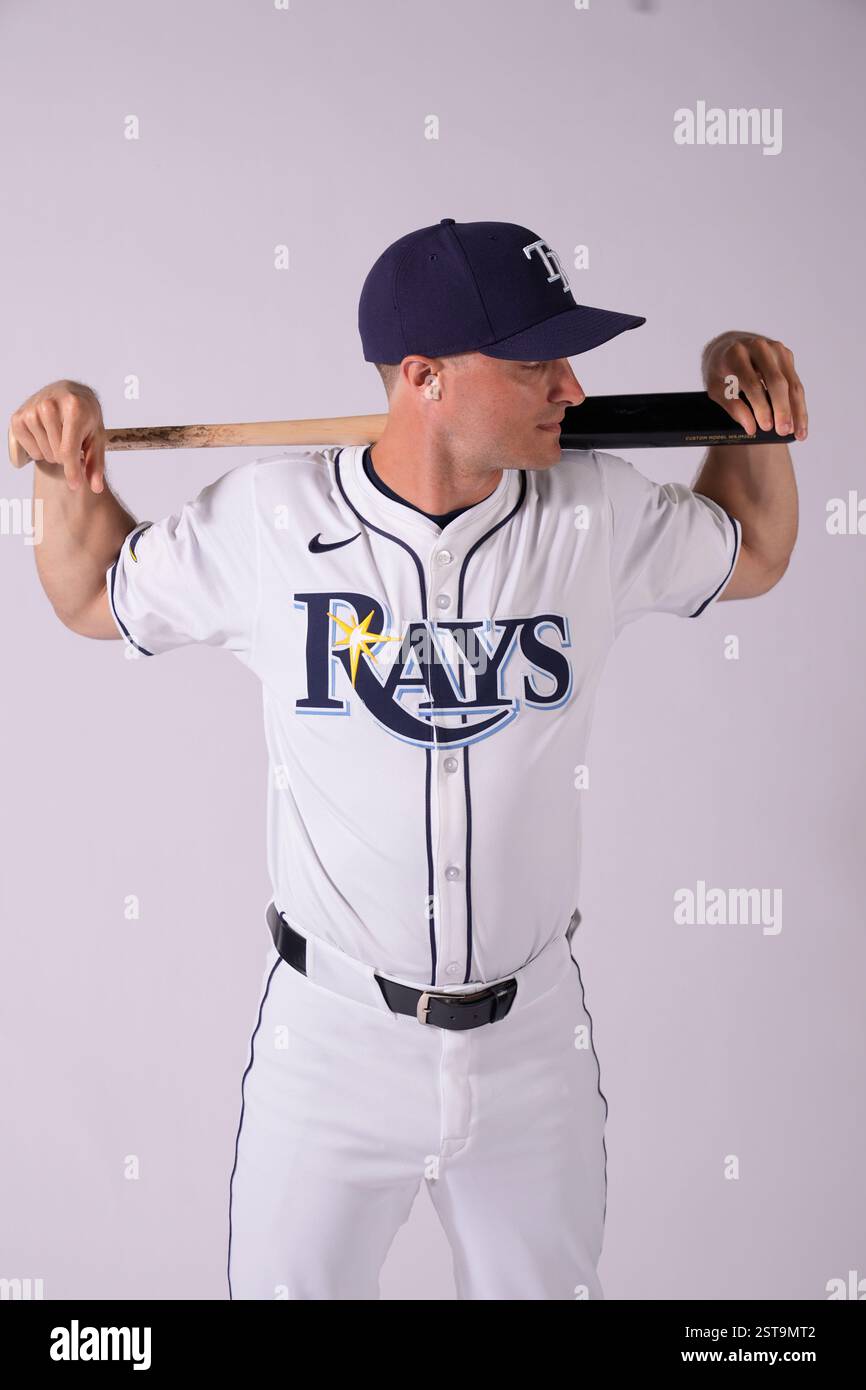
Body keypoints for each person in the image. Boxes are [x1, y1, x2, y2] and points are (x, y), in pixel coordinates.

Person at [10, 217, 803, 1300]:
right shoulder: (271, 522)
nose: (570, 387)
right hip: (329, 1043)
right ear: (422, 376)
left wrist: (740, 402)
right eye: (534, 362)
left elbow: (751, 549)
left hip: (532, 1045)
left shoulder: (592, 513)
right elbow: (86, 591)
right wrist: (67, 452)